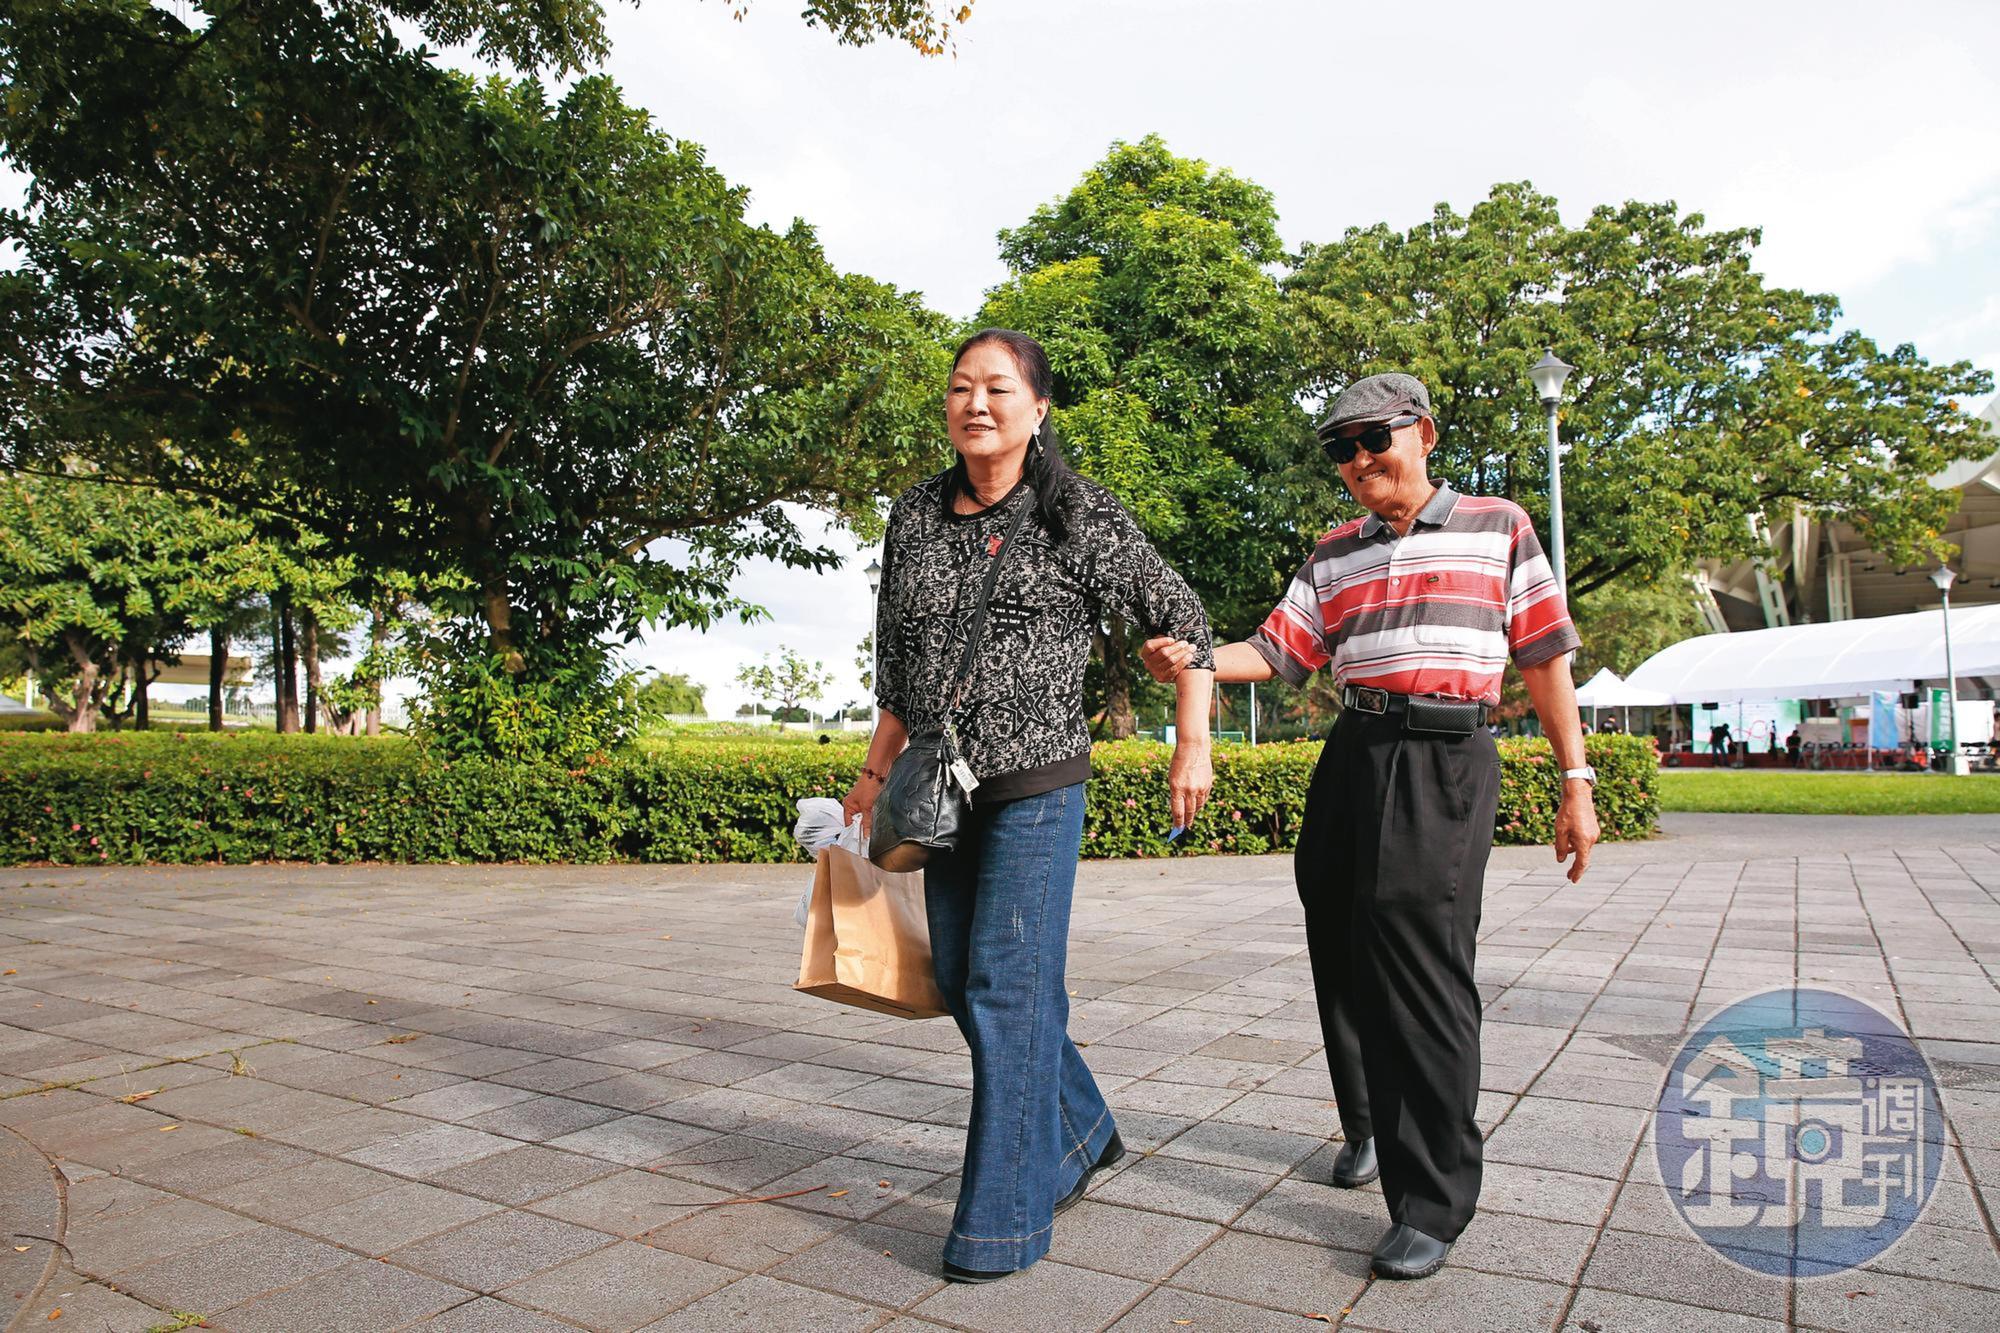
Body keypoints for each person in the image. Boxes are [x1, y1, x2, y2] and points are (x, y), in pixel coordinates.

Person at [1142, 372, 1598, 1281]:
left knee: (1422, 965)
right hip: (1353, 755)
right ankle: (1364, 1125)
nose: (1356, 462)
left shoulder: (1498, 524)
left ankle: (1431, 1197)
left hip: (1443, 758)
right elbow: (1275, 651)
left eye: (1371, 440)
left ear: (1423, 432)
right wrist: (1194, 656)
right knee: (1341, 947)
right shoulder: (1333, 551)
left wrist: (1575, 779)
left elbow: (1544, 655)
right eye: (1339, 450)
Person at [843, 329, 1216, 1284]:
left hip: (1039, 785)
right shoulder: (915, 514)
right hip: (941, 789)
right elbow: (899, 664)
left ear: (1038, 407)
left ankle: (1000, 1225)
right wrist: (875, 773)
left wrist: (1193, 737)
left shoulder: (1080, 515)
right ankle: (1084, 1123)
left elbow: (1185, 616)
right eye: (962, 387)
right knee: (967, 980)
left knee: (1009, 988)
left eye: (998, 389)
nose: (977, 403)